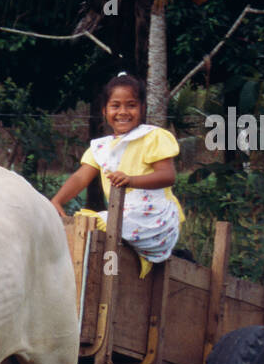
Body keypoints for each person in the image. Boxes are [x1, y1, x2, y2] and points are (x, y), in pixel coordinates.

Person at [50, 72, 184, 277]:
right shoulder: (101, 147)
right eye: (115, 106)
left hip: (154, 217)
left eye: (131, 105)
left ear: (142, 109)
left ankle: (114, 268)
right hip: (121, 214)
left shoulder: (152, 137)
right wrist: (57, 201)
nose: (123, 112)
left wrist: (132, 180)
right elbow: (80, 177)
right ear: (104, 111)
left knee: (93, 222)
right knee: (81, 223)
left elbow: (168, 175)